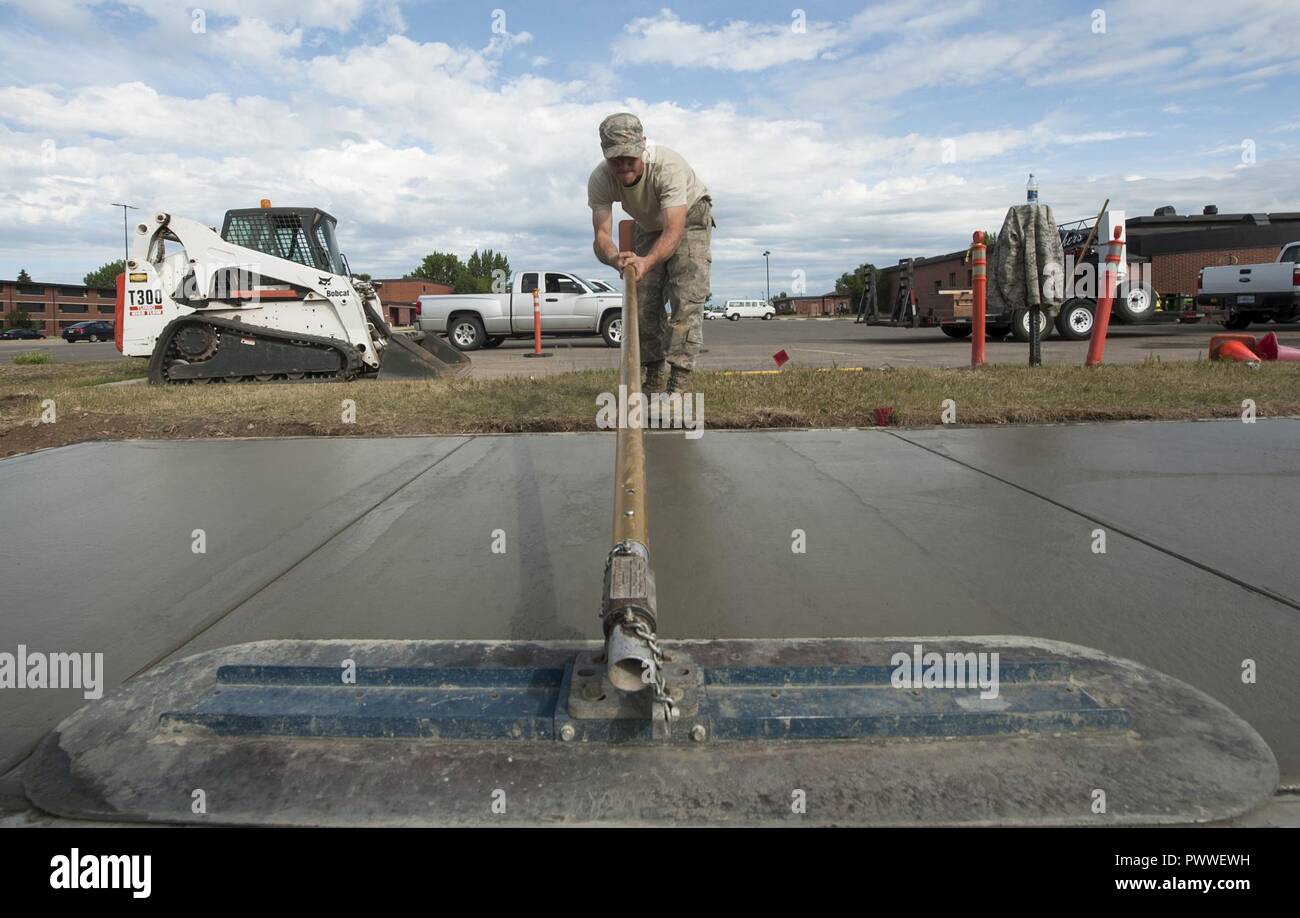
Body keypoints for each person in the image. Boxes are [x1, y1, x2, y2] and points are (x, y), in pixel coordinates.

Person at [588, 113, 713, 395]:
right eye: (615, 159)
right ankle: (653, 379)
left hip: (689, 217)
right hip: (650, 224)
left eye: (630, 158)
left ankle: (678, 386)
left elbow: (674, 230)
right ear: (604, 155)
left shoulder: (667, 166)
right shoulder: (600, 179)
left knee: (686, 296)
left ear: (643, 145)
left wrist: (647, 260)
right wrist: (613, 258)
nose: (622, 166)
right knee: (641, 300)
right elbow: (602, 236)